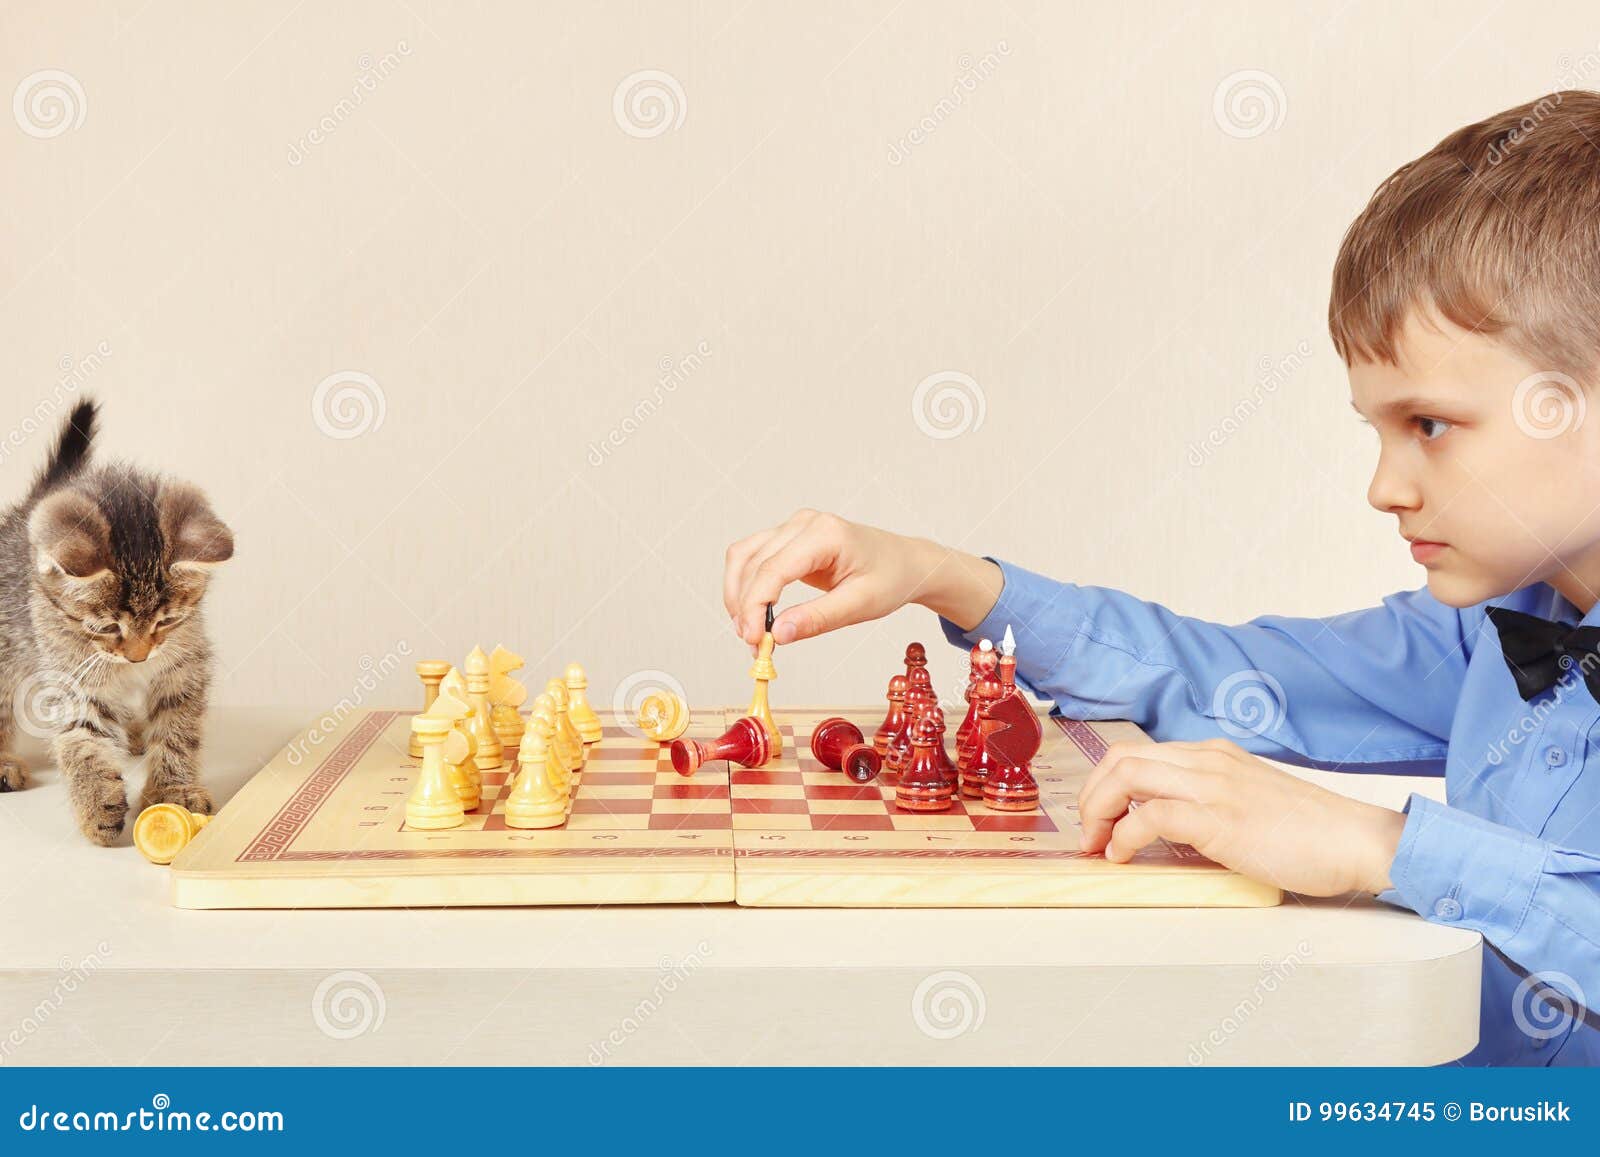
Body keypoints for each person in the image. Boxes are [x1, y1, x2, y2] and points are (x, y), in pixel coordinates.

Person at [722, 91, 1600, 1066]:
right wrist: (947, 576)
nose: (1383, 487)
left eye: (1430, 425)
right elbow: (1225, 674)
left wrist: (1379, 846)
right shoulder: (1489, 626)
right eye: (1378, 430)